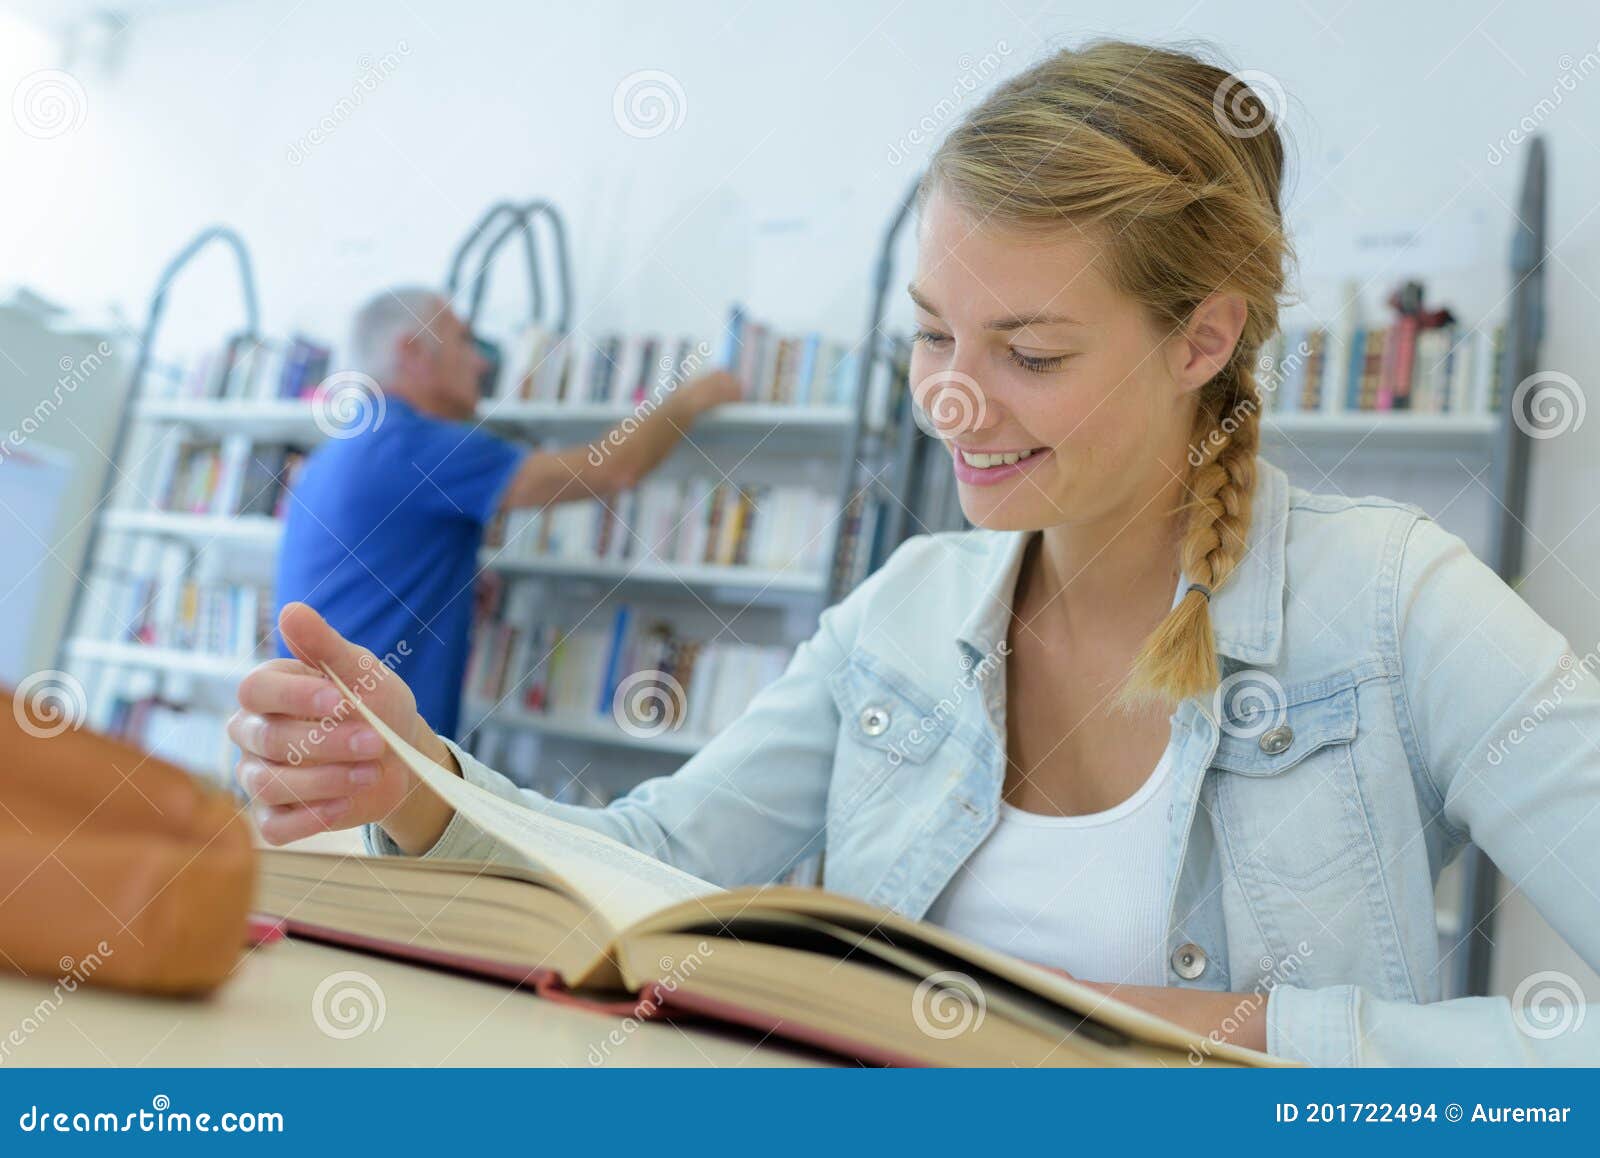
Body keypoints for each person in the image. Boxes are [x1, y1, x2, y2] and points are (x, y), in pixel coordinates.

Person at [232, 41, 1598, 1066]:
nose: (951, 398)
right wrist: (413, 785)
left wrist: (1242, 1027)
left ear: (1203, 339)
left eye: (1032, 352)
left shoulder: (1390, 603)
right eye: (933, 331)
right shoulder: (903, 610)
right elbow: (656, 861)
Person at [272, 288, 741, 739]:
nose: (480, 362)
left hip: (323, 743)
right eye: (464, 340)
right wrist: (690, 399)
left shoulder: (342, 449)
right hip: (366, 755)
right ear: (413, 351)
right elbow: (612, 469)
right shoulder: (417, 446)